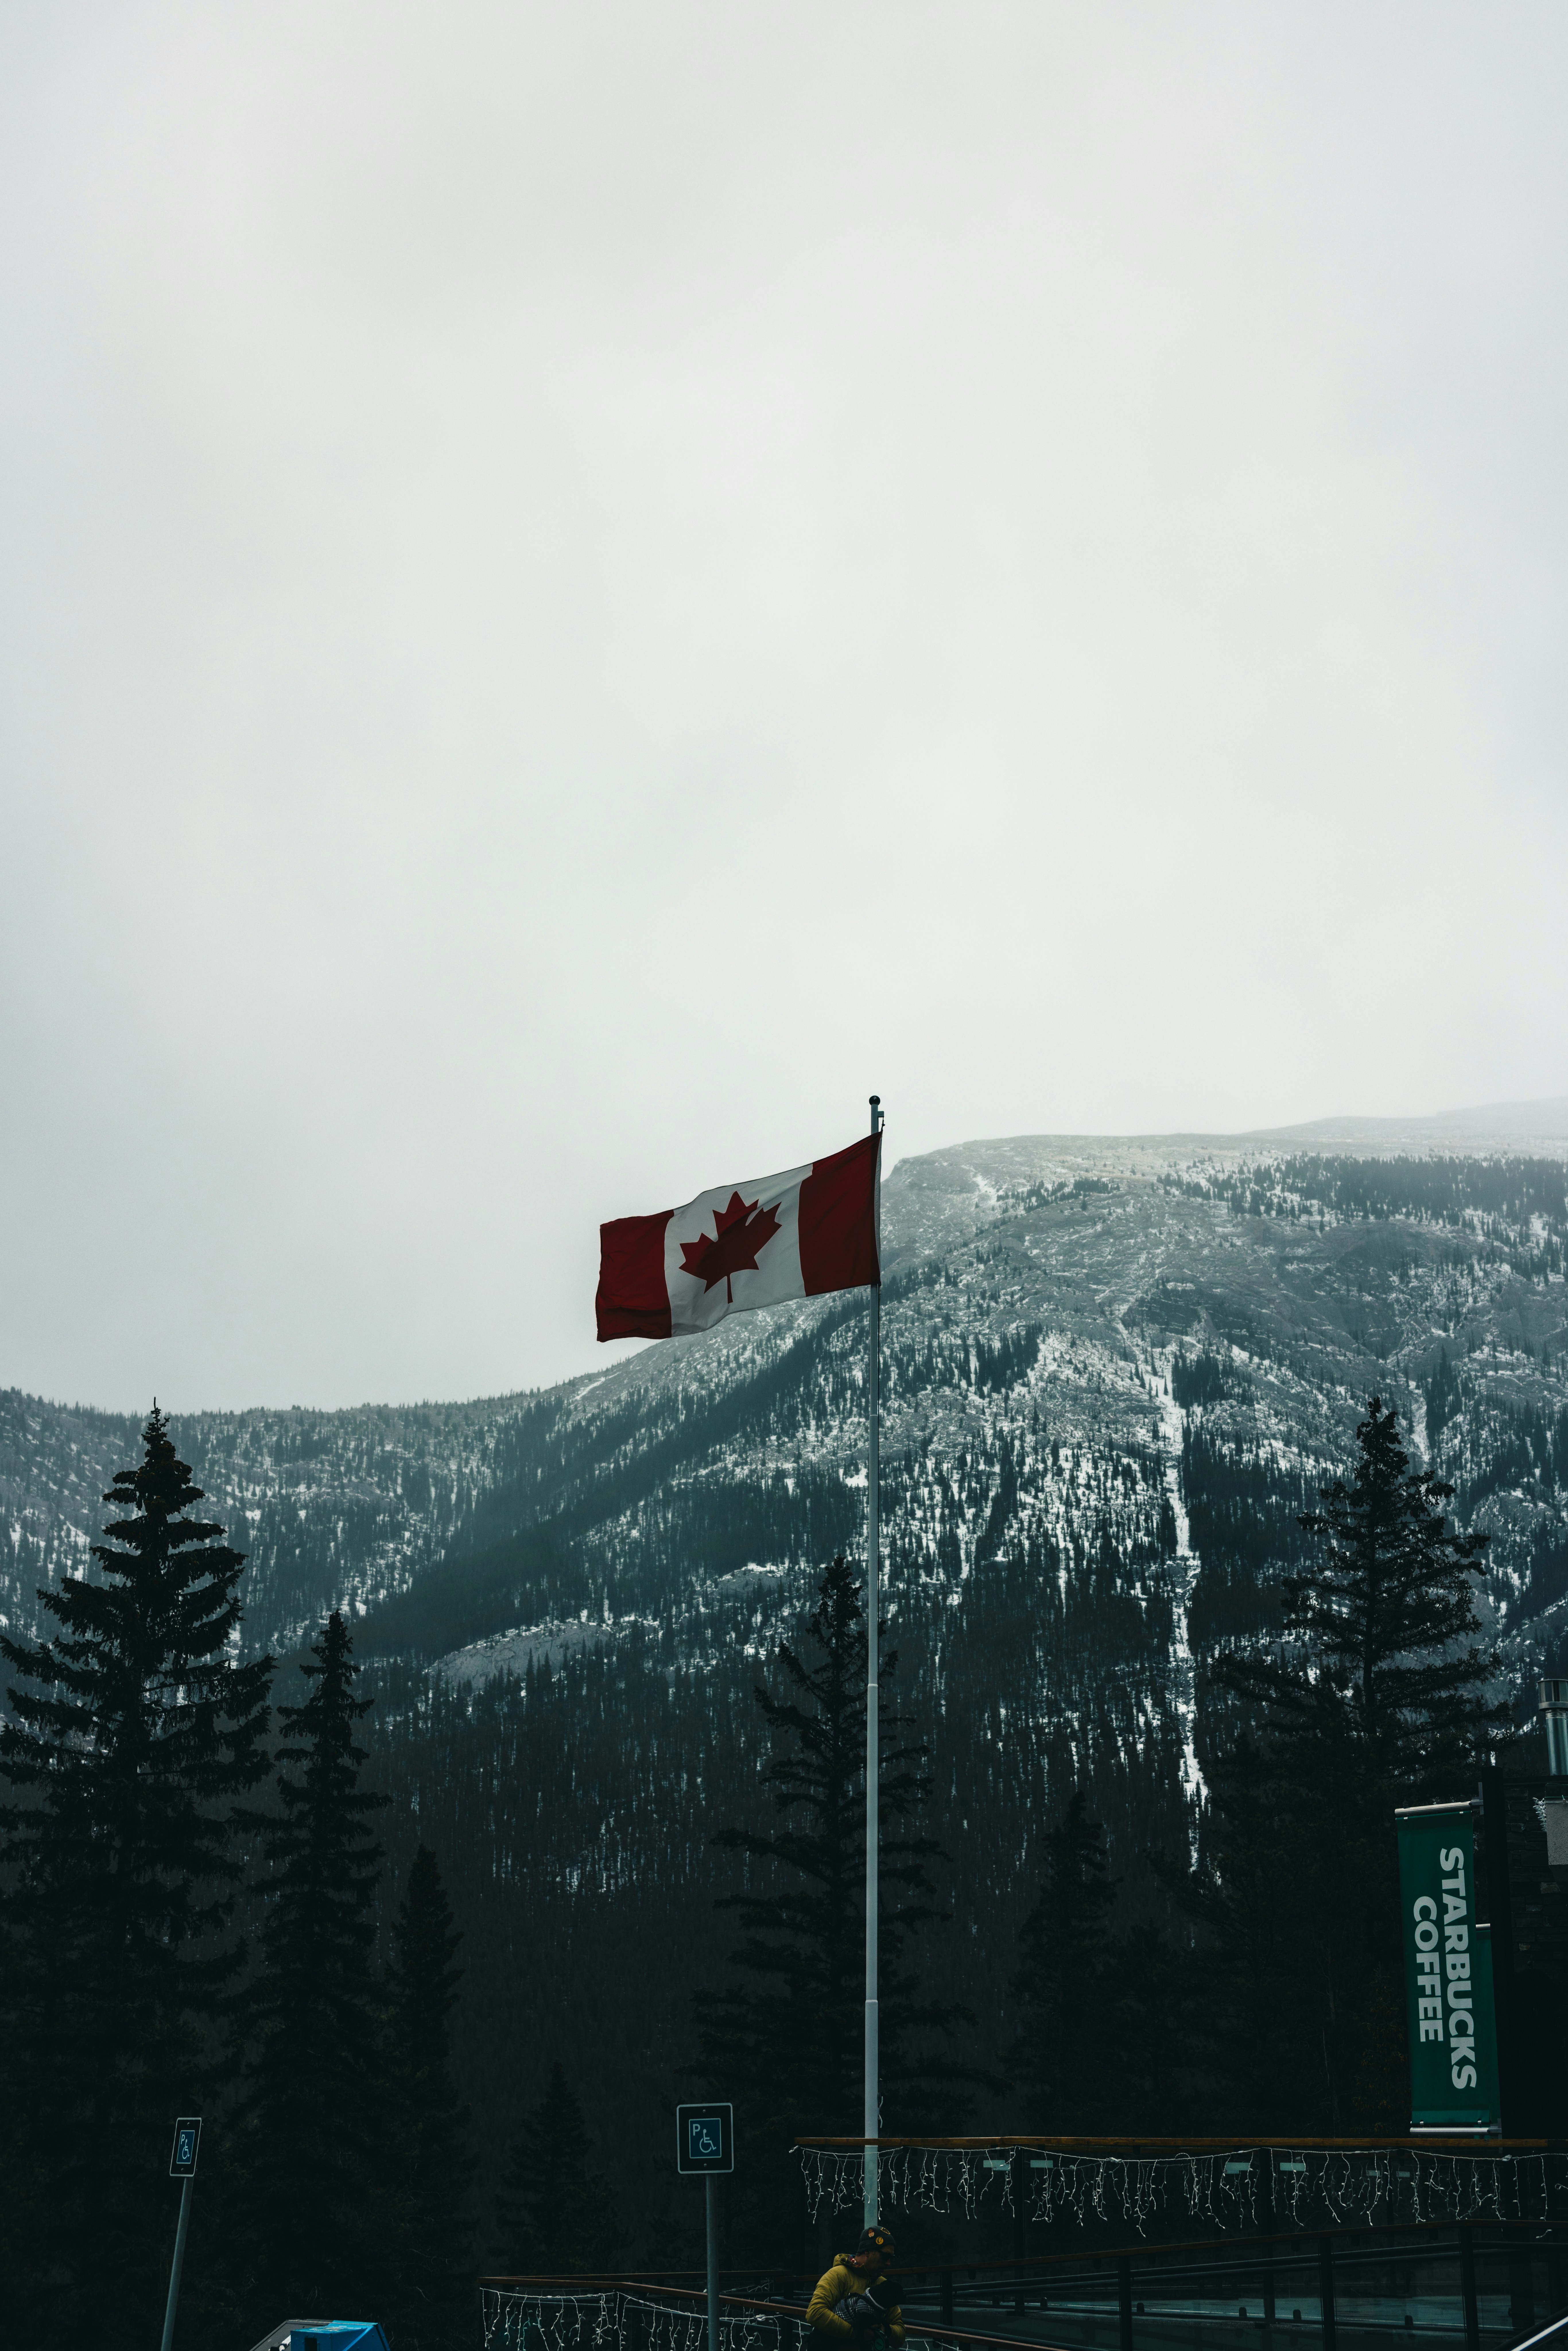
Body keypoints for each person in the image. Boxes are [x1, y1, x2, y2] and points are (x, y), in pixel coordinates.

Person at [807, 2226, 905, 2351]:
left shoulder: (884, 2285)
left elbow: (901, 2335)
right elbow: (815, 2313)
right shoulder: (838, 2275)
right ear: (868, 2252)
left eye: (892, 2258)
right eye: (885, 2257)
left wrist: (886, 2329)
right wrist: (856, 2333)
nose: (889, 2263)